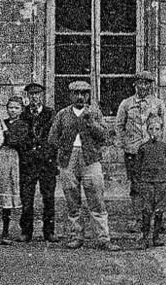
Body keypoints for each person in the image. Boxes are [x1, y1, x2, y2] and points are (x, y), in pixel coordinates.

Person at [47, 79, 115, 250]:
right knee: (72, 200)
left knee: (97, 199)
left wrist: (91, 124)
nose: (80, 97)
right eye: (76, 93)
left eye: (83, 94)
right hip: (68, 159)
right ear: (70, 95)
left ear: (88, 95)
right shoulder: (63, 114)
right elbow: (52, 138)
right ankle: (76, 236)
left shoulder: (95, 113)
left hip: (90, 159)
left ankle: (103, 238)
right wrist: (64, 149)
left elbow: (105, 136)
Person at [115, 72, 165, 233]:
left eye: (147, 83)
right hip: (134, 152)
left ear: (151, 85)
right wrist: (127, 143)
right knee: (136, 186)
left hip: (152, 152)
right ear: (135, 84)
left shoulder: (157, 104)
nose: (143, 87)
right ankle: (138, 220)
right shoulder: (126, 104)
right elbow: (119, 126)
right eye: (140, 83)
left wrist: (156, 144)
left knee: (155, 186)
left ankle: (156, 222)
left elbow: (163, 126)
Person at [11, 81, 58, 242]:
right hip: (28, 163)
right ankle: (26, 231)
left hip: (46, 163)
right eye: (31, 95)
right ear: (28, 97)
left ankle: (49, 231)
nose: (34, 97)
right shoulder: (22, 115)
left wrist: (49, 155)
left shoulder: (50, 114)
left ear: (42, 96)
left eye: (37, 94)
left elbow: (54, 138)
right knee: (27, 198)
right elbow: (18, 137)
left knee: (49, 198)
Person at [0, 96, 24, 244]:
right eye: (10, 108)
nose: (13, 110)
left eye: (16, 108)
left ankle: (6, 232)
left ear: (21, 110)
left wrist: (4, 128)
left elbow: (14, 141)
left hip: (11, 159)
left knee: (7, 194)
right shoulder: (1, 122)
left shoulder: (22, 125)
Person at [133, 116, 166, 248]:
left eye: (157, 129)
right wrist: (143, 180)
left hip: (161, 182)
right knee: (147, 210)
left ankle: (156, 237)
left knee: (159, 210)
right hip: (147, 183)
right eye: (151, 129)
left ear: (161, 131)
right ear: (147, 131)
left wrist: (161, 175)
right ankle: (145, 238)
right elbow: (137, 167)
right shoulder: (143, 148)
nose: (154, 132)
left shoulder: (164, 147)